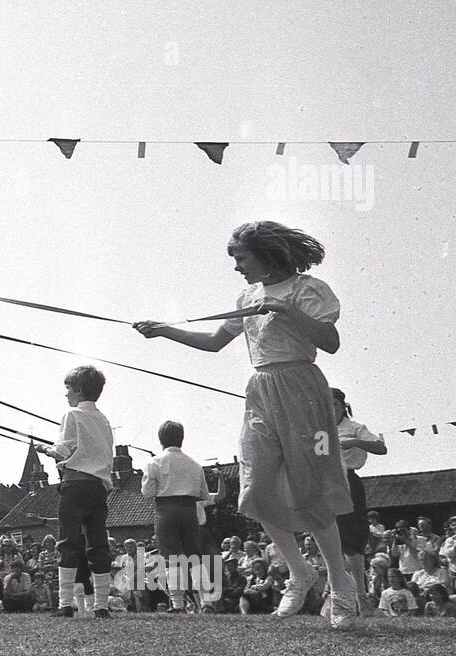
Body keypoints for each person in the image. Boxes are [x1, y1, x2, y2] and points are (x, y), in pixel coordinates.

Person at [134, 220, 359, 628]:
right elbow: (215, 342)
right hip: (260, 390)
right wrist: (164, 331)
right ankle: (299, 572)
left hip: (302, 386)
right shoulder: (247, 296)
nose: (237, 266)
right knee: (254, 486)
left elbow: (330, 342)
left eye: (241, 257)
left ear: (265, 253)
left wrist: (287, 311)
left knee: (312, 488)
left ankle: (341, 587)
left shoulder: (308, 289)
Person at [34, 365, 115, 618]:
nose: (66, 394)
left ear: (79, 389)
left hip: (75, 485)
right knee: (98, 543)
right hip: (98, 487)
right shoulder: (103, 419)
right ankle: (101, 606)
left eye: (68, 388)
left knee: (68, 541)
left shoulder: (72, 414)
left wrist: (46, 450)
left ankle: (65, 604)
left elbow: (64, 450)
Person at [141, 420, 226, 614]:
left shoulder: (154, 462)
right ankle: (206, 602)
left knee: (170, 558)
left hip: (166, 509)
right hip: (189, 510)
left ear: (160, 440)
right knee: (195, 557)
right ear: (182, 439)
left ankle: (178, 604)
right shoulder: (194, 464)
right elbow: (204, 494)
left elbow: (147, 492)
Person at [330, 388, 386, 601]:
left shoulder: (355, 427)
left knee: (352, 536)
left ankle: (361, 594)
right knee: (330, 535)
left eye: (334, 404)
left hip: (347, 481)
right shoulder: (321, 431)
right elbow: (320, 456)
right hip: (325, 483)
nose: (330, 409)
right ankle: (340, 593)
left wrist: (355, 442)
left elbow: (381, 448)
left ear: (342, 406)